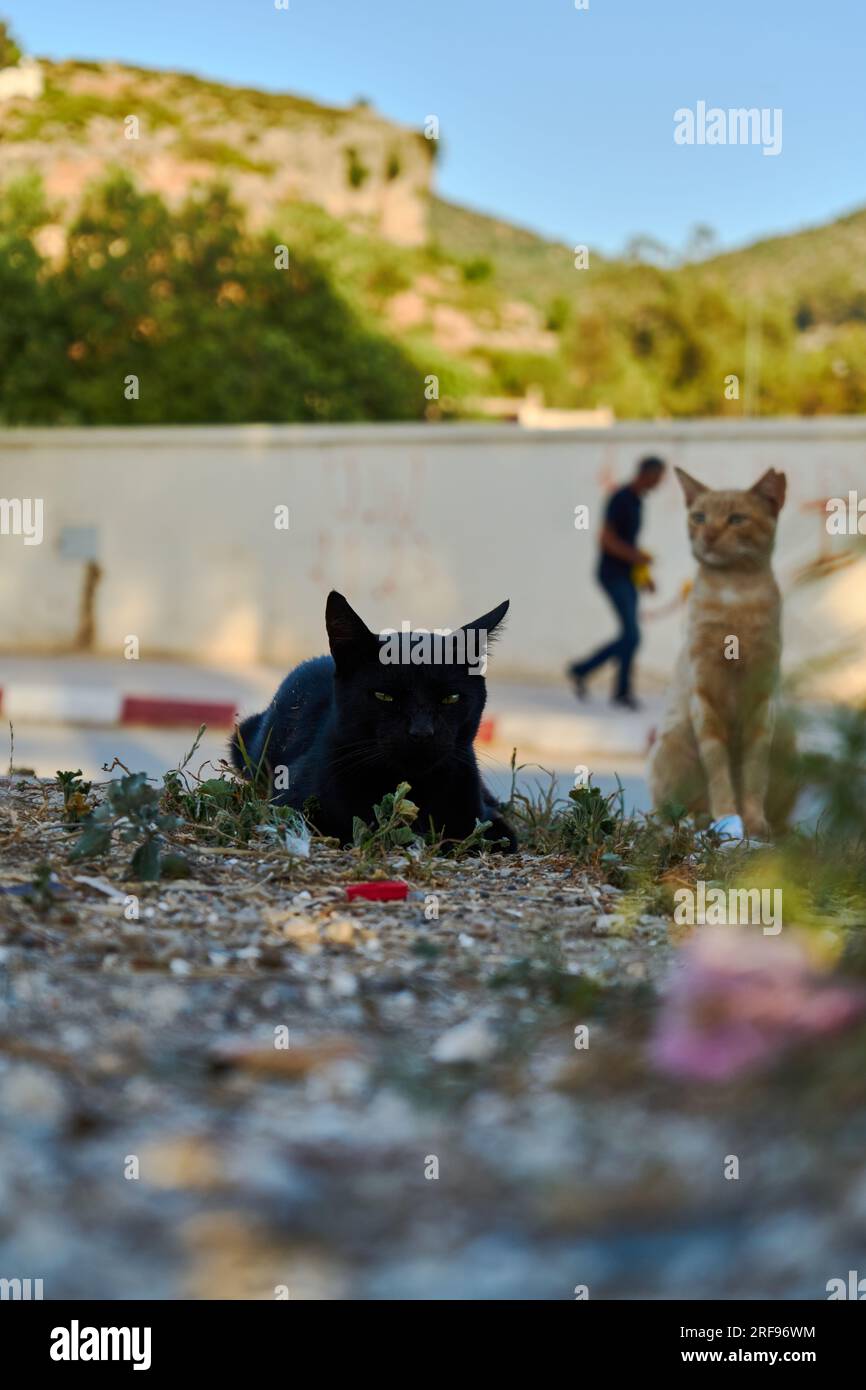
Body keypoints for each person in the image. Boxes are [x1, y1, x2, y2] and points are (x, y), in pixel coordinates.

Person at [568, 455, 666, 710]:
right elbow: (606, 540)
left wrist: (644, 576)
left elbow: (629, 544)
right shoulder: (621, 498)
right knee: (632, 635)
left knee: (629, 636)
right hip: (612, 575)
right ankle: (583, 670)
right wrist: (638, 558)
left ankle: (618, 690)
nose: (659, 483)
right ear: (646, 474)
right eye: (658, 477)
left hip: (627, 575)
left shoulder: (637, 502)